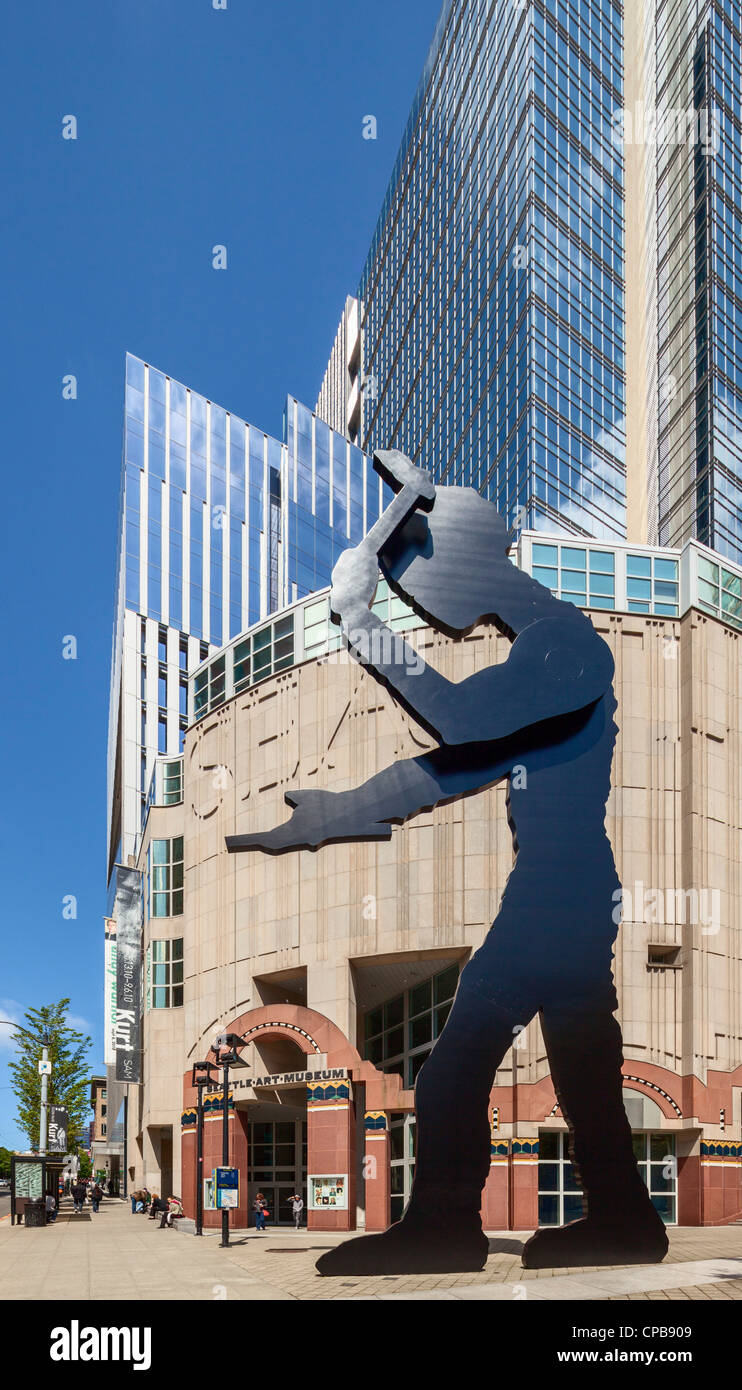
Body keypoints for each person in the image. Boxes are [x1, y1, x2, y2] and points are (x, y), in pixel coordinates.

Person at [230, 450, 670, 1277]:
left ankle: (444, 1226)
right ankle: (624, 1219)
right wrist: (338, 814)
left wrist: (363, 625)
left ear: (457, 570)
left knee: (457, 1065)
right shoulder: (545, 656)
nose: (424, 609)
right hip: (565, 889)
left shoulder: (571, 649)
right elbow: (449, 770)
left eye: (419, 593)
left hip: (560, 889)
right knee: (581, 1067)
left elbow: (463, 725)